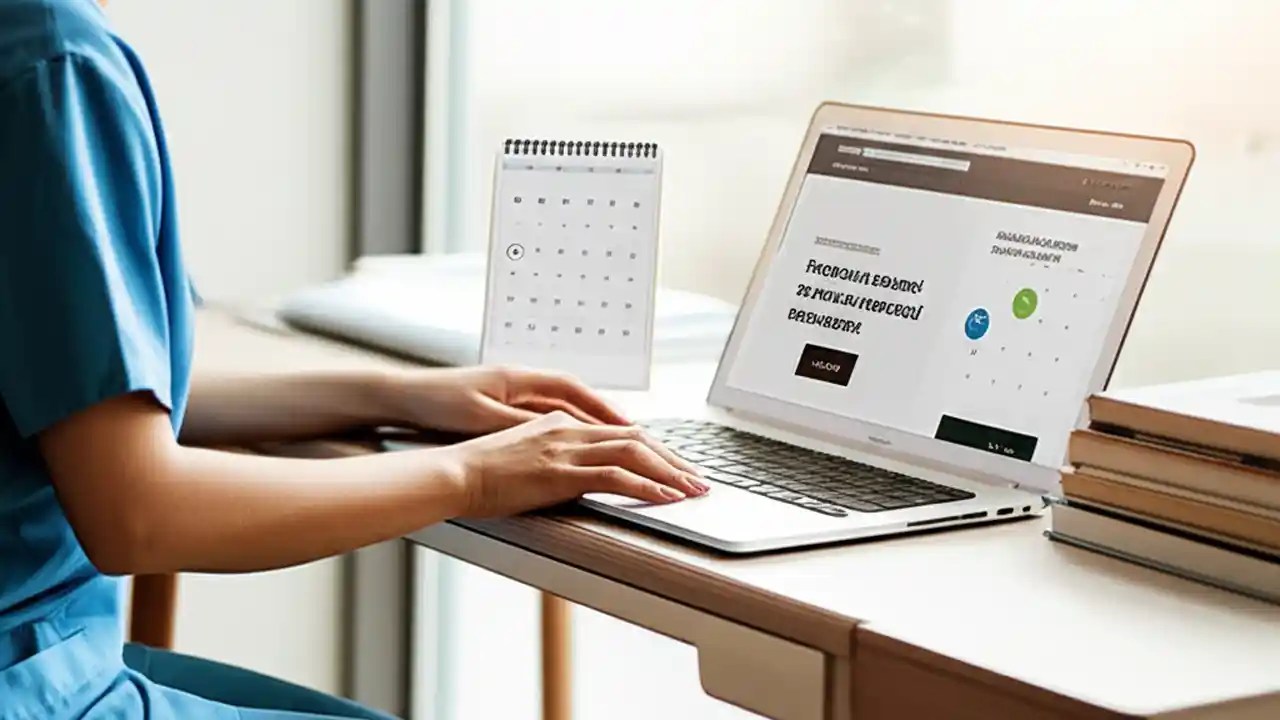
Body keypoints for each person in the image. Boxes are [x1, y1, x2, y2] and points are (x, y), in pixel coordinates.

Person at [0, 1, 709, 717]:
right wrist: (475, 475)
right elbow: (138, 514)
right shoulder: (55, 63)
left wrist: (393, 395)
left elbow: (88, 408)